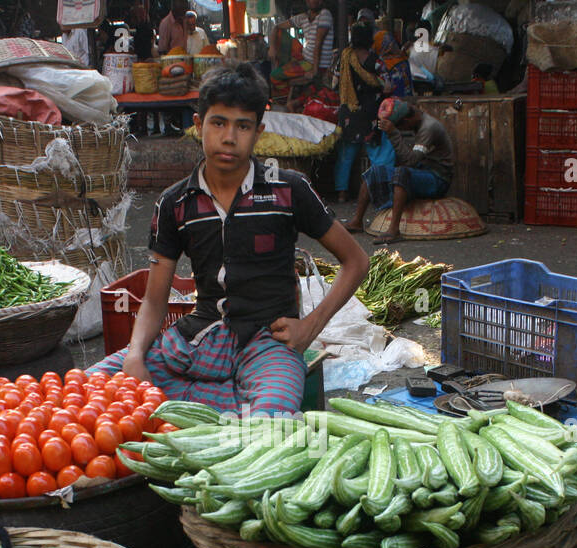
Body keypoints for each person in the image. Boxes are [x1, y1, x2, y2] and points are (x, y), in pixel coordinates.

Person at [90, 63, 368, 416]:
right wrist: (134, 354)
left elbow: (357, 261)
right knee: (91, 385)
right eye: (218, 122)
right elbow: (155, 301)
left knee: (271, 420)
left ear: (259, 132)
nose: (229, 137)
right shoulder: (175, 202)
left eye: (243, 126)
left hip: (270, 344)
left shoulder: (288, 190)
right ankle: (224, 410)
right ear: (198, 125)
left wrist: (309, 328)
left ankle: (237, 412)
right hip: (199, 340)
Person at [343, 98, 453, 244]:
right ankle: (357, 221)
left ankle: (394, 230)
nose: (403, 131)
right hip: (420, 171)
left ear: (408, 120)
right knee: (374, 172)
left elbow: (410, 161)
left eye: (401, 127)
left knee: (402, 173)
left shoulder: (429, 127)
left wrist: (394, 134)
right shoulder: (414, 117)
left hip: (438, 178)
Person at [333, 22, 392, 203]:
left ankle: (342, 193)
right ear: (369, 40)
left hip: (349, 113)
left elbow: (334, 84)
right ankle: (380, 193)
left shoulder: (343, 59)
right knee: (377, 154)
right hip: (370, 114)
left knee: (346, 155)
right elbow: (388, 87)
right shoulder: (376, 62)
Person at [273, 0, 334, 82]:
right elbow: (276, 27)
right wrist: (272, 49)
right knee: (280, 33)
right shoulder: (303, 17)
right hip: (305, 60)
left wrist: (314, 71)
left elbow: (318, 43)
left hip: (315, 65)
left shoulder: (324, 14)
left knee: (275, 75)